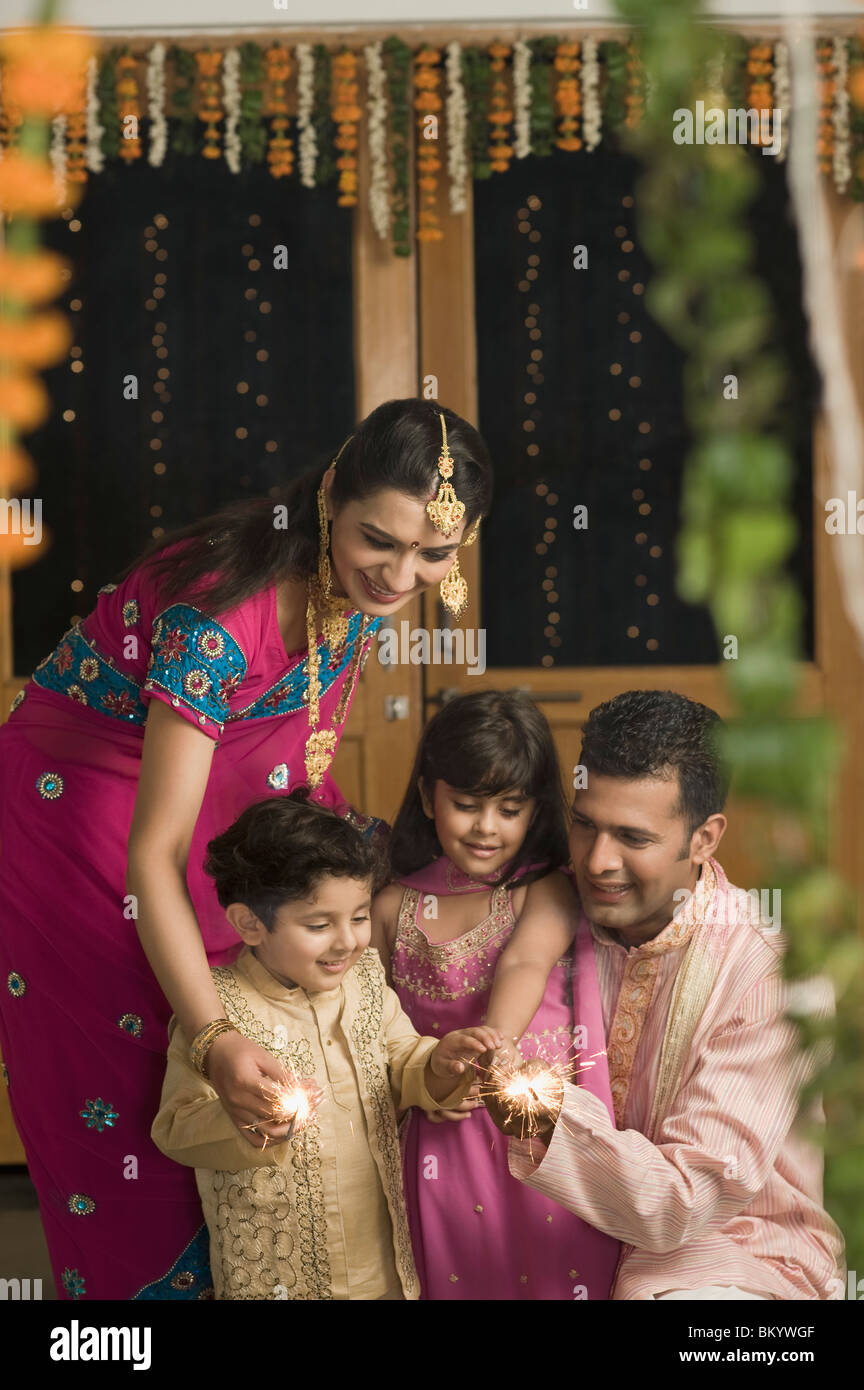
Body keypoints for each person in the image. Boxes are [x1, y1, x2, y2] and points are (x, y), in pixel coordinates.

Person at [0, 397, 492, 1300]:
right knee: (151, 1063)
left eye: (432, 554)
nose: (400, 574)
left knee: (276, 959)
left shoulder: (358, 588)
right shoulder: (221, 619)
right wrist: (215, 1035)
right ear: (333, 497)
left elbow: (295, 756)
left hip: (210, 769)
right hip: (84, 807)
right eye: (379, 541)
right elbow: (154, 858)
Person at [483, 689, 846, 1300]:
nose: (598, 861)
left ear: (704, 839)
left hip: (729, 1249)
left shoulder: (772, 974)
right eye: (585, 825)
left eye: (633, 837)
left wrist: (539, 1114)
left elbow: (686, 1203)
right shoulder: (543, 909)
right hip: (555, 1228)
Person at [152, 792, 498, 1300]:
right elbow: (177, 1128)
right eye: (319, 925)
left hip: (380, 1269)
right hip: (274, 1278)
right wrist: (247, 1122)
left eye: (358, 917)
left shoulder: (362, 980)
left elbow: (402, 1059)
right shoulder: (214, 1010)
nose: (348, 942)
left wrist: (439, 1064)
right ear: (250, 923)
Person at [372, 690, 620, 1299]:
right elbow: (366, 1017)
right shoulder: (389, 905)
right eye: (467, 804)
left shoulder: (542, 890)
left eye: (510, 809)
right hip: (441, 1126)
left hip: (528, 1118)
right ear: (430, 797)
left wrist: (496, 1050)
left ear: (534, 813)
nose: (487, 827)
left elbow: (525, 962)